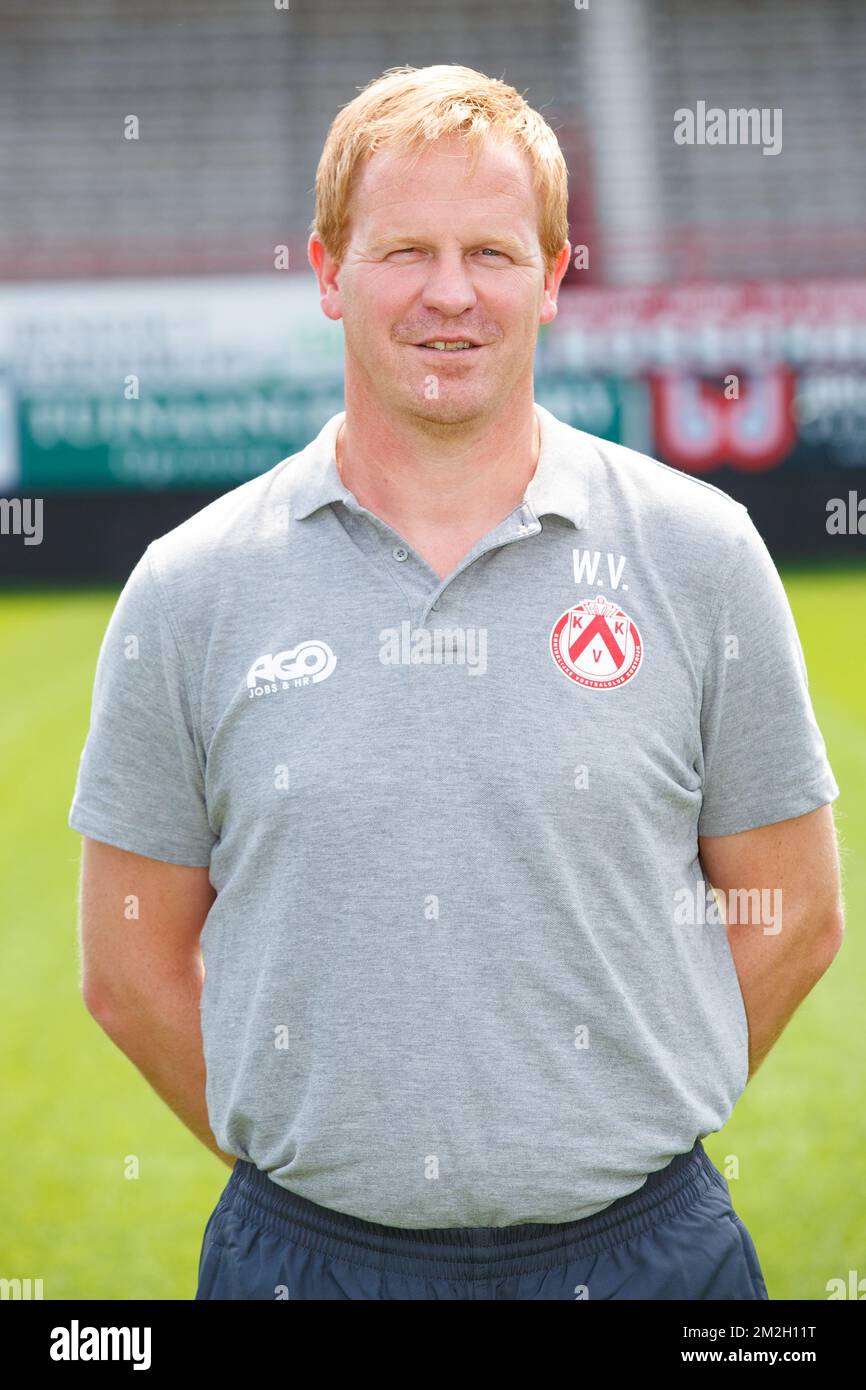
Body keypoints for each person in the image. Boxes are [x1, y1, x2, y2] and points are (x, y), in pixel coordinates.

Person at [70, 64, 843, 1301]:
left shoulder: (698, 555)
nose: (449, 293)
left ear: (551, 273)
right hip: (305, 1262)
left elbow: (794, 915)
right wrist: (326, 1170)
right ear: (327, 273)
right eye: (403, 251)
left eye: (490, 250)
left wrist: (607, 1123)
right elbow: (126, 965)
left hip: (649, 1257)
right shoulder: (190, 587)